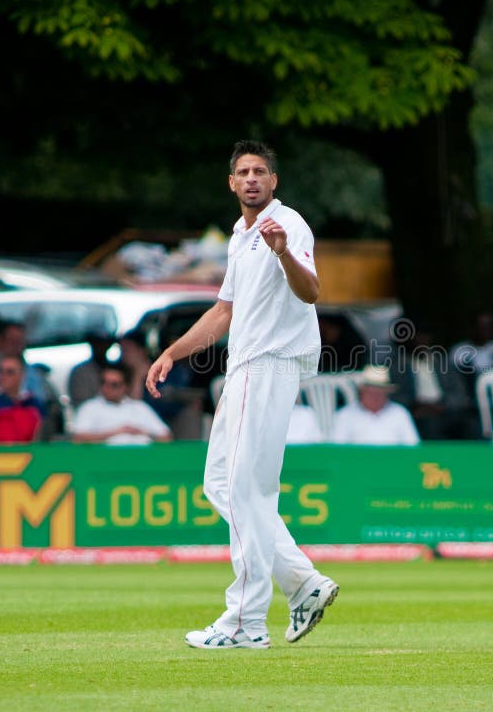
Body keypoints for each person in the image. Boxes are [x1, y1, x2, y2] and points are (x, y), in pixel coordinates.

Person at [145, 140, 338, 650]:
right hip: (245, 368)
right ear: (232, 183)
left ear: (273, 180)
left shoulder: (287, 225)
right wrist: (173, 352)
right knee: (221, 484)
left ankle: (246, 623)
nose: (251, 179)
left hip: (269, 364)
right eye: (243, 172)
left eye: (260, 171)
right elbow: (223, 311)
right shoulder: (239, 235)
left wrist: (282, 254)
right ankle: (302, 582)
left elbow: (311, 290)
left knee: (248, 491)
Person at [71, 362, 172, 445]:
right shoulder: (89, 408)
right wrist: (116, 433)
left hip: (141, 461)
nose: (107, 388)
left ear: (125, 386)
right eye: (103, 382)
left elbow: (166, 437)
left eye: (114, 385)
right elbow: (78, 438)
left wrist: (141, 432)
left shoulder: (139, 408)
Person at [332, 365, 419, 445]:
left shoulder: (400, 413)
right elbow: (336, 450)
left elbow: (413, 448)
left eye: (380, 392)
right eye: (371, 392)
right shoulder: (345, 415)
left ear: (387, 393)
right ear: (362, 392)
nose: (376, 396)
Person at [68, 330, 116, 408]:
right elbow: (81, 404)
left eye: (104, 343)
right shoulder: (80, 372)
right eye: (98, 343)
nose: (101, 347)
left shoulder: (117, 369)